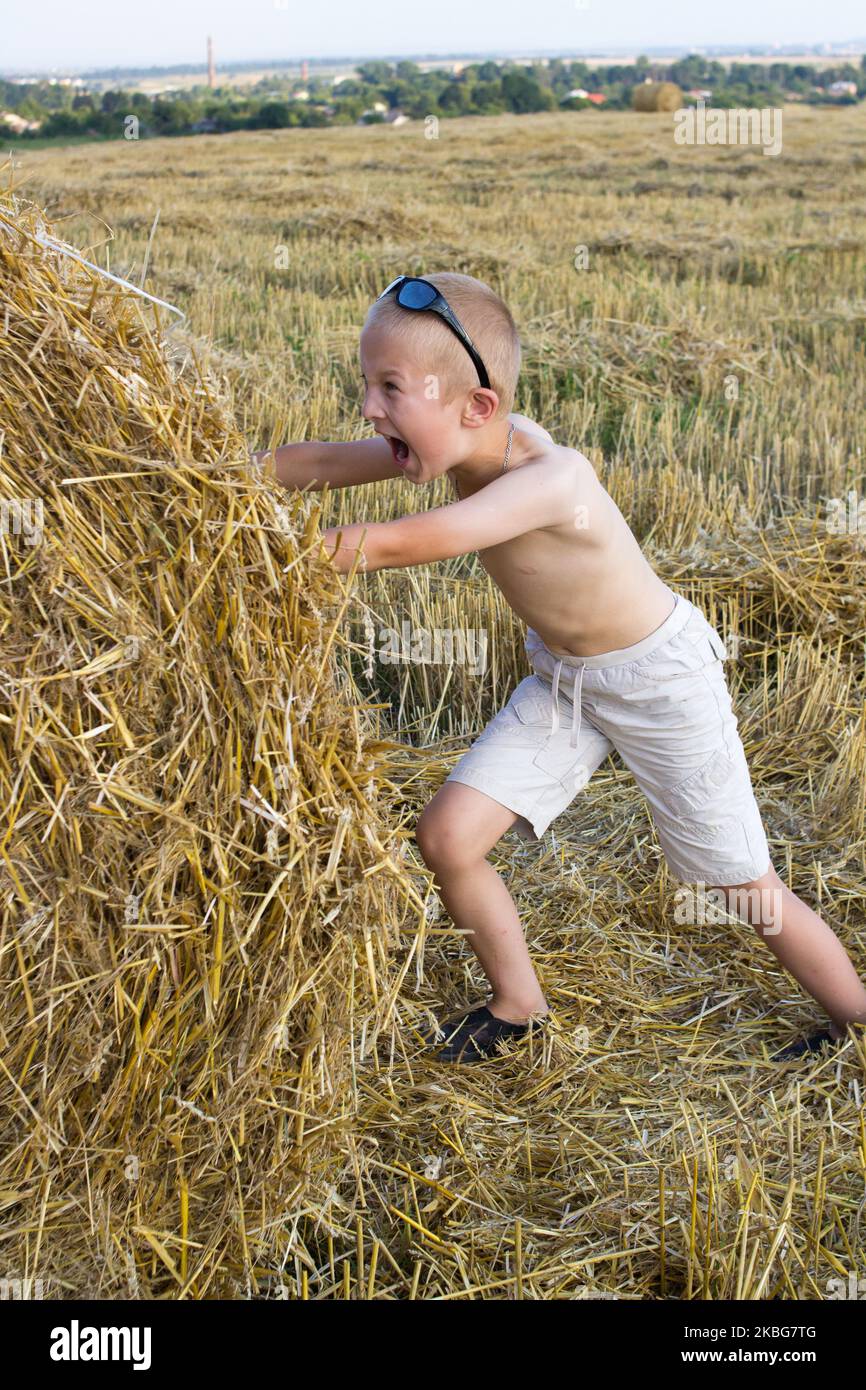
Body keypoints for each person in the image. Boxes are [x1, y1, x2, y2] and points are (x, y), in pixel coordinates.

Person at [252, 271, 866, 1065]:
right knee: (447, 838)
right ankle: (518, 1006)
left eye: (391, 389)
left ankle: (855, 1015)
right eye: (367, 384)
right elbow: (318, 462)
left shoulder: (551, 479)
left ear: (476, 406)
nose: (369, 408)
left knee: (736, 884)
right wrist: (203, 483)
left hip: (657, 682)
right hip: (565, 681)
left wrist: (245, 550)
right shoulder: (455, 436)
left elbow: (411, 542)